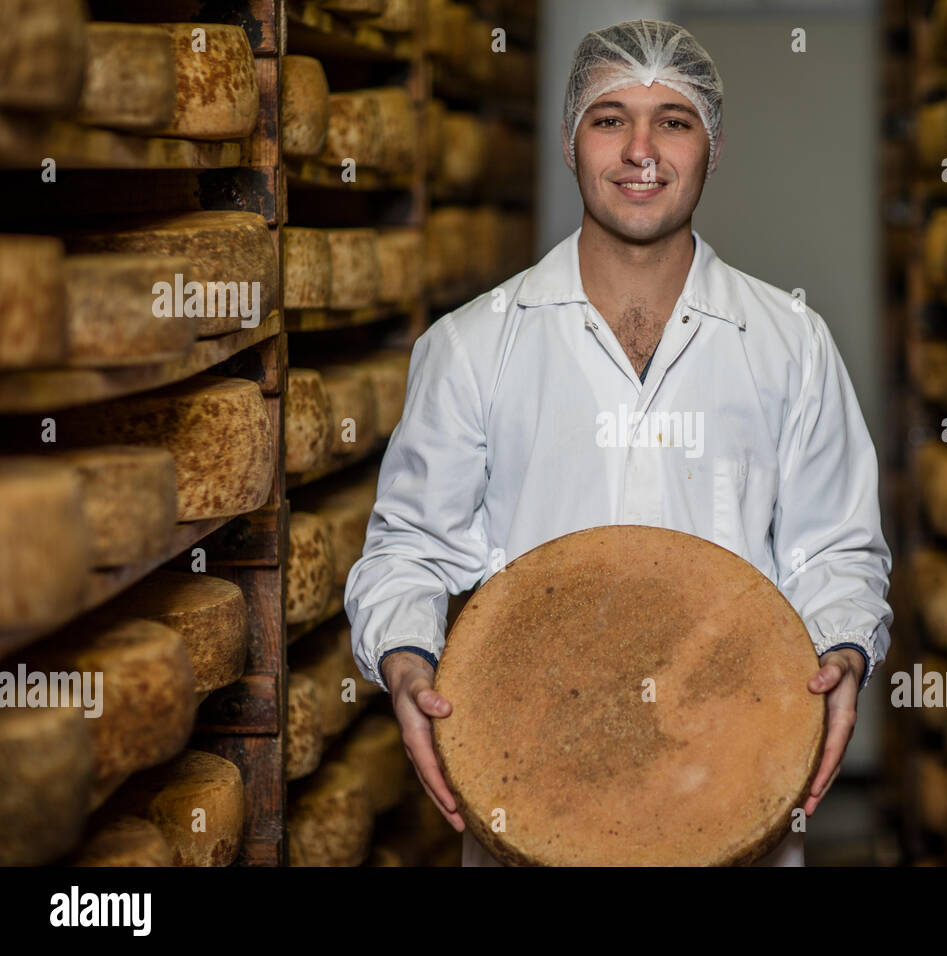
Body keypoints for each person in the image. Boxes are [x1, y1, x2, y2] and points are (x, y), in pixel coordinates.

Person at [344, 18, 893, 867]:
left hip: (731, 778)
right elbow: (408, 550)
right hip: (535, 783)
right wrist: (408, 658)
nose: (642, 150)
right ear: (571, 143)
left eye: (673, 120)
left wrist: (845, 650)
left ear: (713, 146)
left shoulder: (790, 343)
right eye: (610, 120)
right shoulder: (475, 345)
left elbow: (836, 551)